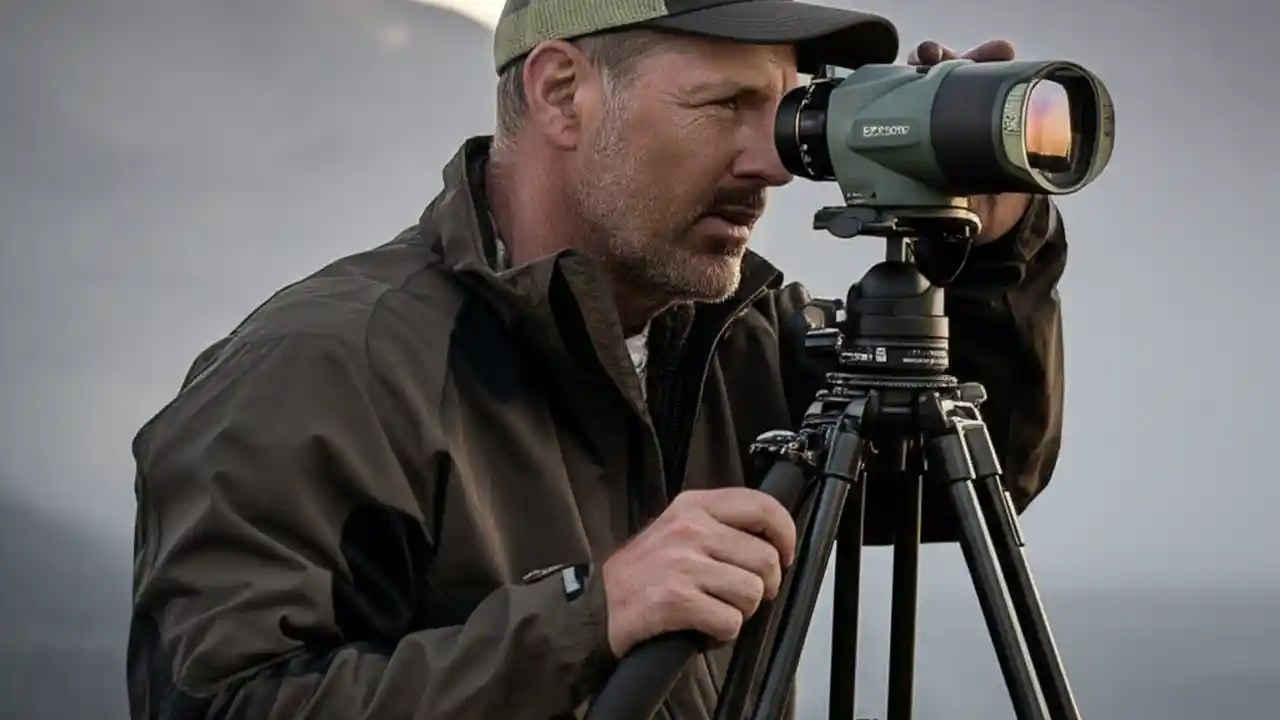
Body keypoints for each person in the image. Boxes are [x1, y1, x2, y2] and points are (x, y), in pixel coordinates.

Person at [126, 1, 1068, 718]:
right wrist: (589, 615)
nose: (773, 162)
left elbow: (955, 485)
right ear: (561, 94)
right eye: (725, 104)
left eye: (784, 110)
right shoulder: (328, 368)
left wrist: (994, 252)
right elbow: (223, 703)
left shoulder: (740, 334)